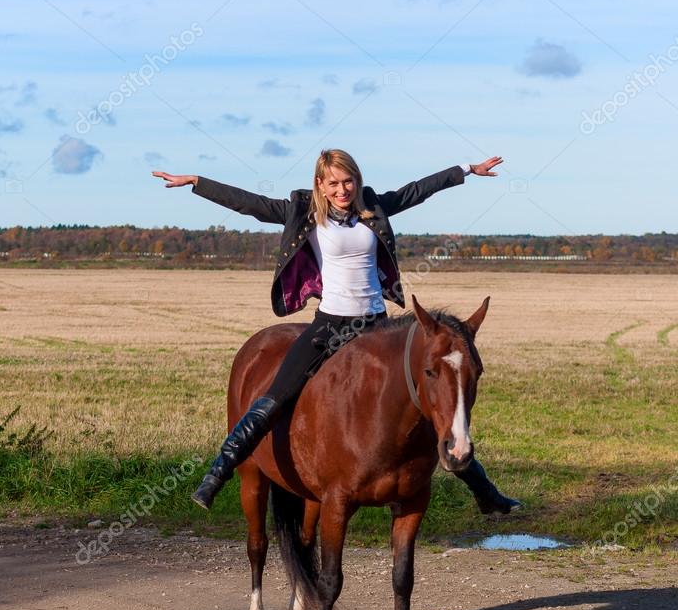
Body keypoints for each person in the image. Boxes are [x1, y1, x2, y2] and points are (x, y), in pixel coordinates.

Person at [153, 150, 520, 515]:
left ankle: (484, 490)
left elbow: (417, 190)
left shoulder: (373, 206)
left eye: (348, 181)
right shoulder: (301, 211)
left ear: (357, 181)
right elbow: (250, 204)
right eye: (334, 183)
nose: (342, 189)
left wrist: (466, 170)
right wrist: (197, 183)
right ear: (320, 185)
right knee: (275, 397)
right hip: (329, 325)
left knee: (431, 402)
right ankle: (218, 472)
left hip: (376, 325)